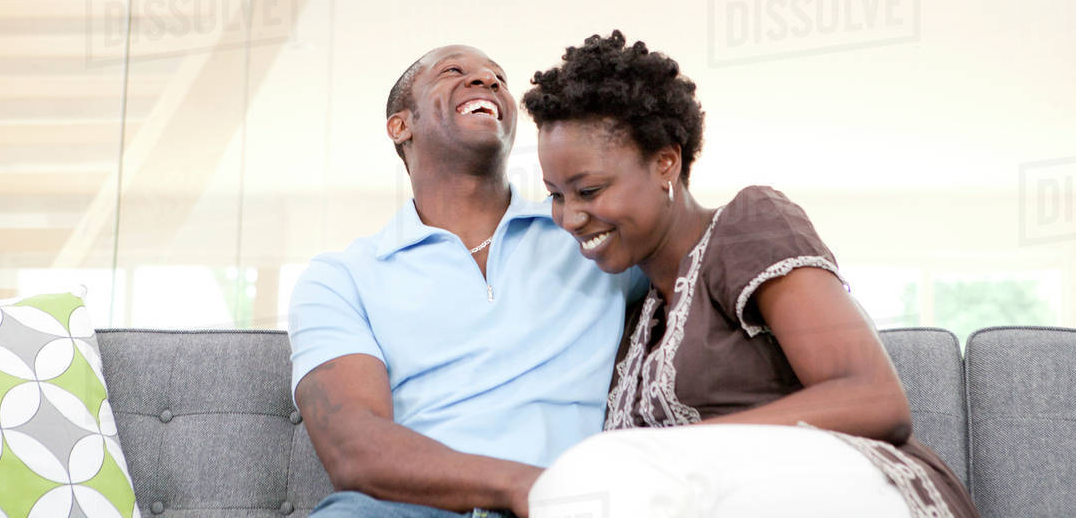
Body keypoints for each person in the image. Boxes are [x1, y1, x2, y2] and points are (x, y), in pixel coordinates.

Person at [521, 31, 979, 518]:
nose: (569, 217)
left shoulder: (747, 226)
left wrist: (662, 453)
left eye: (588, 190)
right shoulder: (633, 314)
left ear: (665, 162)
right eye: (556, 195)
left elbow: (874, 400)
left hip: (856, 486)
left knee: (596, 471)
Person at [287, 45, 644, 518]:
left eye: (498, 78)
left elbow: (704, 261)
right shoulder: (341, 278)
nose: (488, 82)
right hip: (422, 509)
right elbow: (355, 449)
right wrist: (529, 486)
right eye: (454, 71)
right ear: (401, 125)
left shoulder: (590, 236)